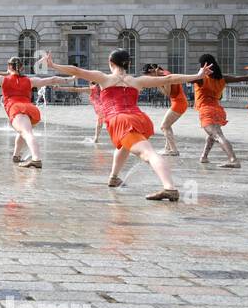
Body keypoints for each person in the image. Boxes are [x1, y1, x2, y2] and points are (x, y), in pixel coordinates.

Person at [46, 51, 207, 201]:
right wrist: (197, 75)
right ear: (128, 64)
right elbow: (169, 79)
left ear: (111, 63)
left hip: (121, 120)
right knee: (124, 146)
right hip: (138, 118)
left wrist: (53, 65)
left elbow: (76, 70)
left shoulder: (104, 78)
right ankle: (114, 177)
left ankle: (169, 188)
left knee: (149, 154)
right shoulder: (137, 81)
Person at [0, 58, 74, 169]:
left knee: (26, 133)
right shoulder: (29, 80)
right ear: (21, 67)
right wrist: (71, 79)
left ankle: (36, 159)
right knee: (22, 132)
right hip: (31, 109)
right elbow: (52, 79)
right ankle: (16, 155)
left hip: (16, 109)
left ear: (9, 67)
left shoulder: (4, 79)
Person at [193, 55, 248, 169]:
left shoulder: (200, 79)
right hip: (218, 110)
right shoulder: (223, 78)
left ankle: (233, 160)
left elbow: (184, 79)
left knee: (217, 135)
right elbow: (247, 77)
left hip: (207, 111)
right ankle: (204, 156)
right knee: (213, 134)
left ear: (203, 65)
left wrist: (198, 74)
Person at [144, 64, 189, 157]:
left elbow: (167, 93)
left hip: (179, 103)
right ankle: (168, 148)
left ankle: (174, 150)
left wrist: (157, 82)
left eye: (149, 75)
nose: (149, 78)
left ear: (152, 71)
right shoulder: (164, 74)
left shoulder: (165, 76)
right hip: (178, 102)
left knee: (164, 126)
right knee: (167, 126)